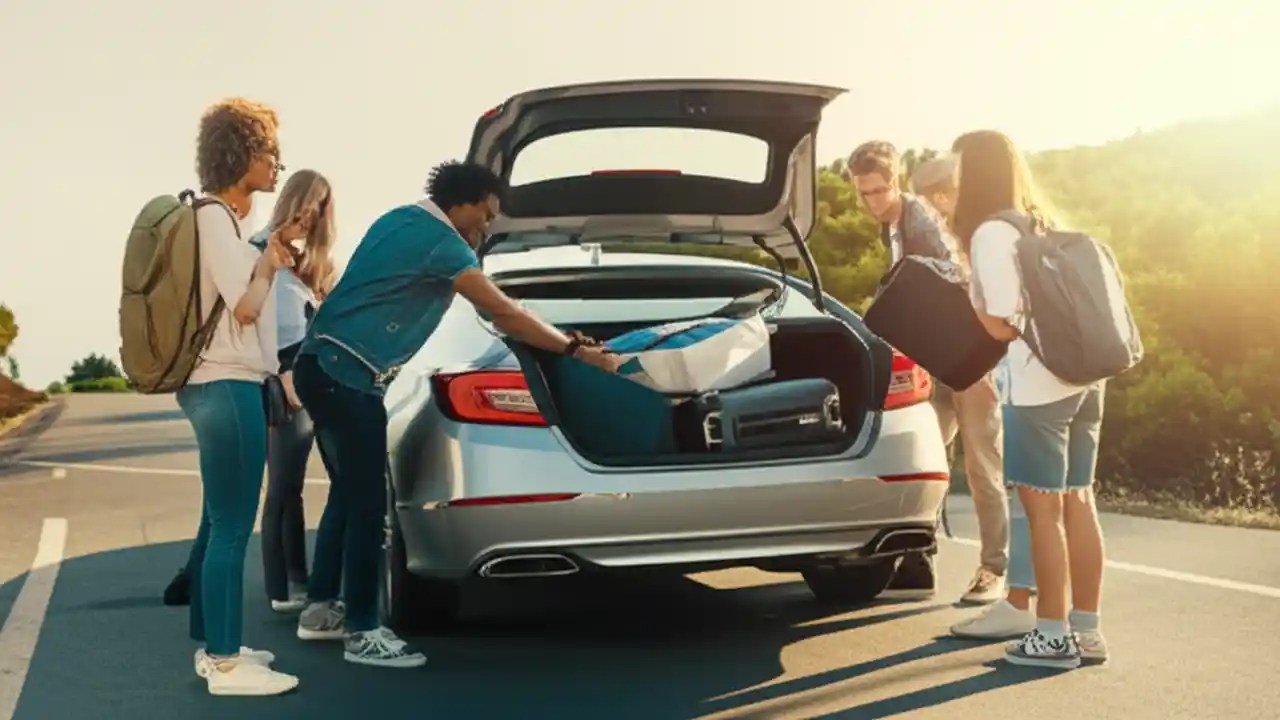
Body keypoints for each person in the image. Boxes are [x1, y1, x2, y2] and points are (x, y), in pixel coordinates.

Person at [292, 160, 621, 668]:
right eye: (486, 215)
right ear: (461, 204)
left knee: (348, 494)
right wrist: (573, 350)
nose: (487, 227)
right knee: (367, 508)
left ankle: (320, 610)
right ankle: (363, 631)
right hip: (346, 376)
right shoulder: (442, 243)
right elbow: (504, 312)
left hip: (321, 367)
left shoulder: (397, 219)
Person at [946, 129, 1108, 669]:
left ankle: (1052, 636)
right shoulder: (1040, 220)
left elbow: (1002, 324)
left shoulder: (992, 233)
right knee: (1078, 501)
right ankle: (1086, 631)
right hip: (1084, 381)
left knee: (1041, 512)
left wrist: (970, 305)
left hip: (1038, 386)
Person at [180, 97, 309, 695]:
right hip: (225, 382)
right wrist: (268, 266)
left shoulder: (219, 220)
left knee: (218, 518)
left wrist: (268, 255)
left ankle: (214, 647)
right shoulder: (213, 217)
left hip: (224, 382)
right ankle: (226, 664)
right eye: (268, 152)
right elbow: (247, 305)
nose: (276, 164)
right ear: (240, 155)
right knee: (233, 526)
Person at [845, 140, 958, 601]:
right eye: (863, 192)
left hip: (947, 355)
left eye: (879, 190)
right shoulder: (890, 226)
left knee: (926, 456)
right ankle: (917, 561)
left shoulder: (917, 217)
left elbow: (950, 273)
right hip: (924, 355)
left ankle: (926, 562)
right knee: (926, 455)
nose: (873, 201)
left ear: (895, 180)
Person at [908, 154, 1009, 605]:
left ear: (947, 195)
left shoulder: (983, 238)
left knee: (983, 469)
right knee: (926, 462)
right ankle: (915, 555)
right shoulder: (924, 233)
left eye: (932, 200)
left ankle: (995, 568)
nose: (927, 209)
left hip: (975, 370)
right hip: (939, 366)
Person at [249, 169, 339, 613]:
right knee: (282, 485)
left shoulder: (309, 265)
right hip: (279, 375)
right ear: (290, 201)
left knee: (301, 486)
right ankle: (281, 588)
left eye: (319, 208)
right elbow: (245, 320)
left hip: (314, 371)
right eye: (305, 205)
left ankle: (300, 579)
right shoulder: (256, 251)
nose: (309, 216)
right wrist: (278, 377)